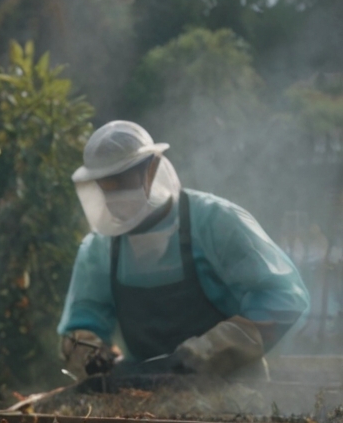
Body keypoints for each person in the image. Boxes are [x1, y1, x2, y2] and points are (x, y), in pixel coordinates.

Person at [58, 120, 310, 380]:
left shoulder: (214, 221)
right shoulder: (100, 247)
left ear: (152, 168)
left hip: (234, 394)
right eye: (106, 184)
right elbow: (81, 325)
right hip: (143, 397)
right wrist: (88, 353)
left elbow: (283, 298)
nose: (115, 193)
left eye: (123, 179)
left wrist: (212, 349)